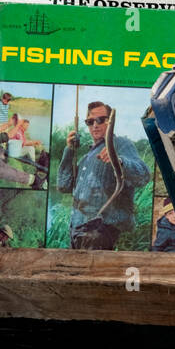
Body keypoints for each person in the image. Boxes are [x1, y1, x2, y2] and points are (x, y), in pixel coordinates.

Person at [57, 101, 149, 249]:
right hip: (77, 232)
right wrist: (69, 151)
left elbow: (143, 175)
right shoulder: (84, 158)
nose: (95, 125)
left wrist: (118, 161)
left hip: (103, 232)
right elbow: (63, 185)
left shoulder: (119, 143)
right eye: (90, 121)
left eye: (101, 120)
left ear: (109, 121)